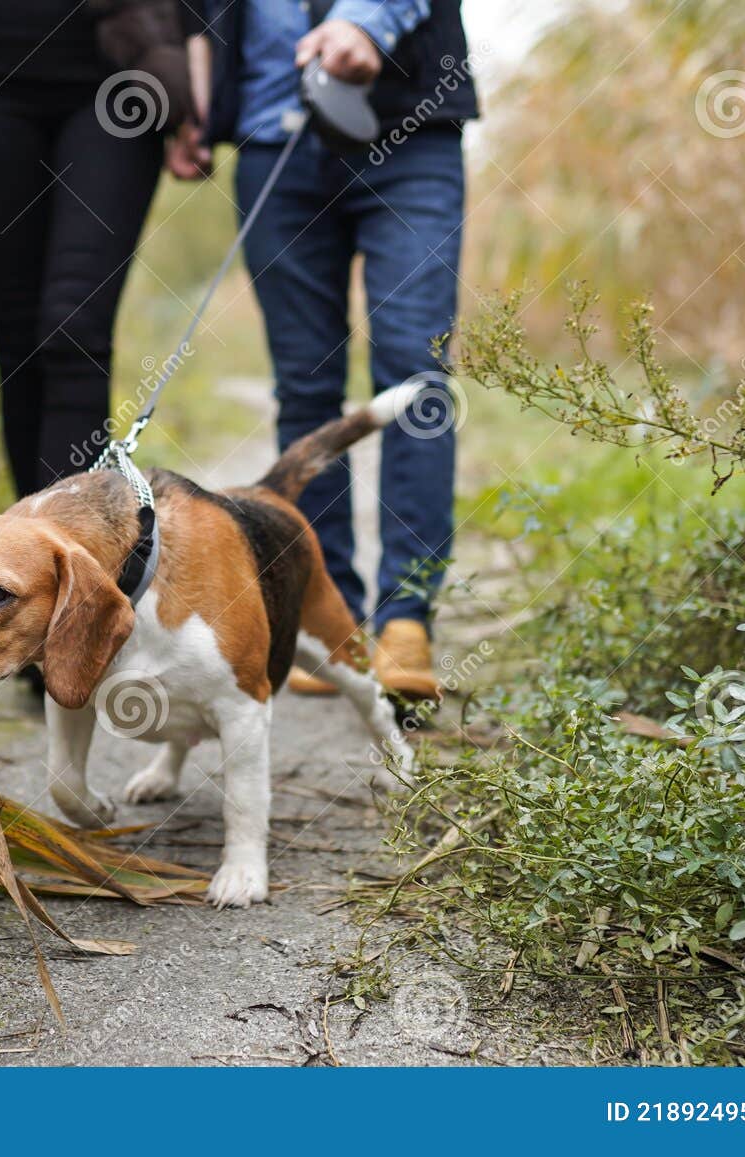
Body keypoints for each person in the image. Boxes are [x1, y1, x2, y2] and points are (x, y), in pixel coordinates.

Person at [173, 1, 476, 707]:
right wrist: (192, 104)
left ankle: (406, 619)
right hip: (269, 139)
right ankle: (329, 618)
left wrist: (370, 21)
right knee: (304, 386)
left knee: (415, 372)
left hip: (412, 130)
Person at [0, 0, 198, 497]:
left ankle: (77, 546)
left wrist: (194, 90)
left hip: (118, 84)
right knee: (18, 343)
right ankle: (27, 558)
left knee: (75, 330)